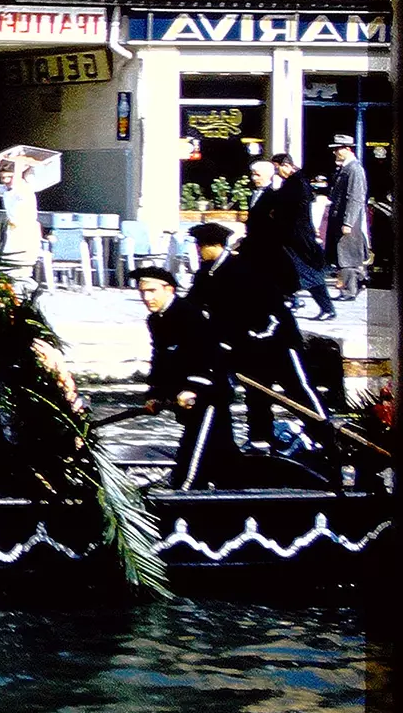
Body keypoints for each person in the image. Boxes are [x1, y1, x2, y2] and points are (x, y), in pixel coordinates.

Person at [185, 222, 327, 451]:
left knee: (298, 388)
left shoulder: (243, 269)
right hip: (246, 345)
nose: (197, 250)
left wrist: (257, 336)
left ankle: (323, 433)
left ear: (213, 245)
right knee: (256, 393)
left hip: (278, 342)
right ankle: (260, 439)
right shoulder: (206, 274)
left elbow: (269, 308)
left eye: (199, 246)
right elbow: (192, 306)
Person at [133, 265, 237, 490]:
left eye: (152, 291)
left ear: (168, 289)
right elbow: (161, 357)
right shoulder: (156, 320)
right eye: (142, 293)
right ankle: (228, 488)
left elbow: (207, 356)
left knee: (194, 450)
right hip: (184, 398)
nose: (146, 298)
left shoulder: (188, 314)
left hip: (208, 395)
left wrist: (192, 388)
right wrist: (156, 394)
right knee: (222, 451)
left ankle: (186, 490)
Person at [270, 153, 335, 320]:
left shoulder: (297, 183)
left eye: (278, 169)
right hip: (291, 236)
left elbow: (293, 209)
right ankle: (290, 301)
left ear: (286, 165)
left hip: (298, 238)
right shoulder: (292, 182)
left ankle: (327, 308)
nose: (277, 173)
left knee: (308, 274)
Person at [0, 154, 42, 293]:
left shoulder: (24, 188)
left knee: (21, 267)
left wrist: (19, 162)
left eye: (9, 177)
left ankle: (23, 295)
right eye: (4, 178)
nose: (6, 181)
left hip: (25, 231)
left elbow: (16, 183)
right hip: (11, 232)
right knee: (6, 265)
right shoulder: (6, 190)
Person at [325, 134, 369, 300]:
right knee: (342, 254)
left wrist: (348, 222)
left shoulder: (354, 169)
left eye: (338, 149)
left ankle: (350, 290)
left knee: (347, 256)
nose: (335, 152)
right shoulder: (345, 168)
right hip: (340, 217)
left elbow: (355, 197)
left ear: (347, 149)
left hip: (348, 219)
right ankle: (359, 281)